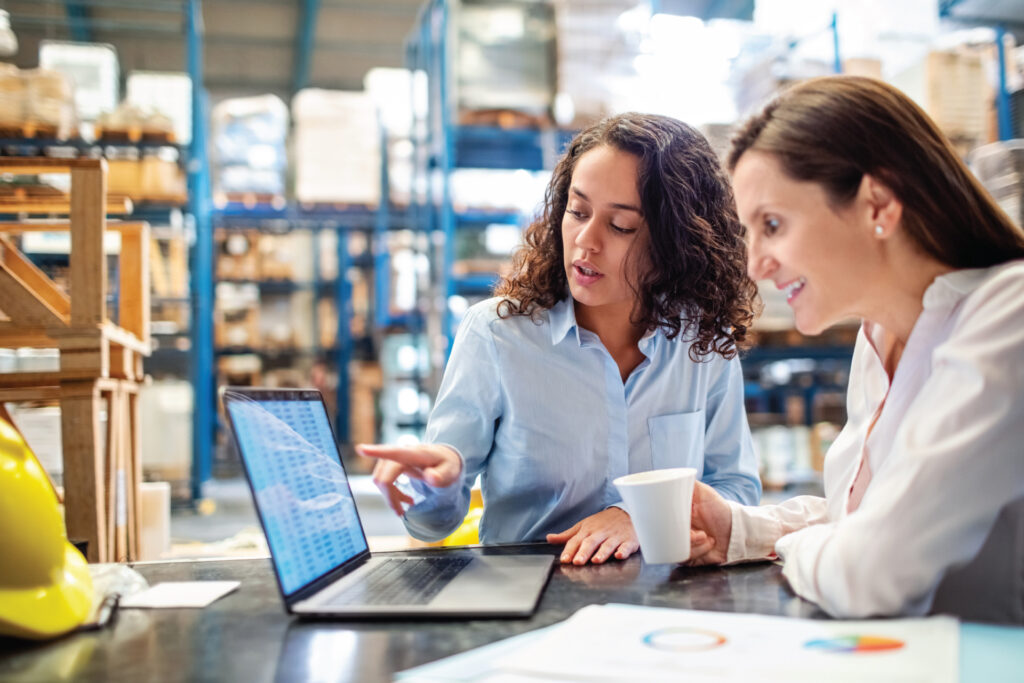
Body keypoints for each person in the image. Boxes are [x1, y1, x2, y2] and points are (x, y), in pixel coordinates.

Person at [688, 75, 1024, 624]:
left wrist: (795, 548)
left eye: (772, 224)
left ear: (878, 204)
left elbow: (869, 571)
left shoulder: (1009, 313)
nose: (756, 265)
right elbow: (869, 516)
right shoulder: (878, 338)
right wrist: (738, 527)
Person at [358, 112, 761, 565]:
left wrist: (638, 516)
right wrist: (437, 485)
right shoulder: (496, 335)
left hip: (664, 603)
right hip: (530, 600)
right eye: (578, 211)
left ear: (676, 242)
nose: (586, 241)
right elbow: (432, 525)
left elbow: (737, 490)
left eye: (621, 226)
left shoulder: (702, 343)